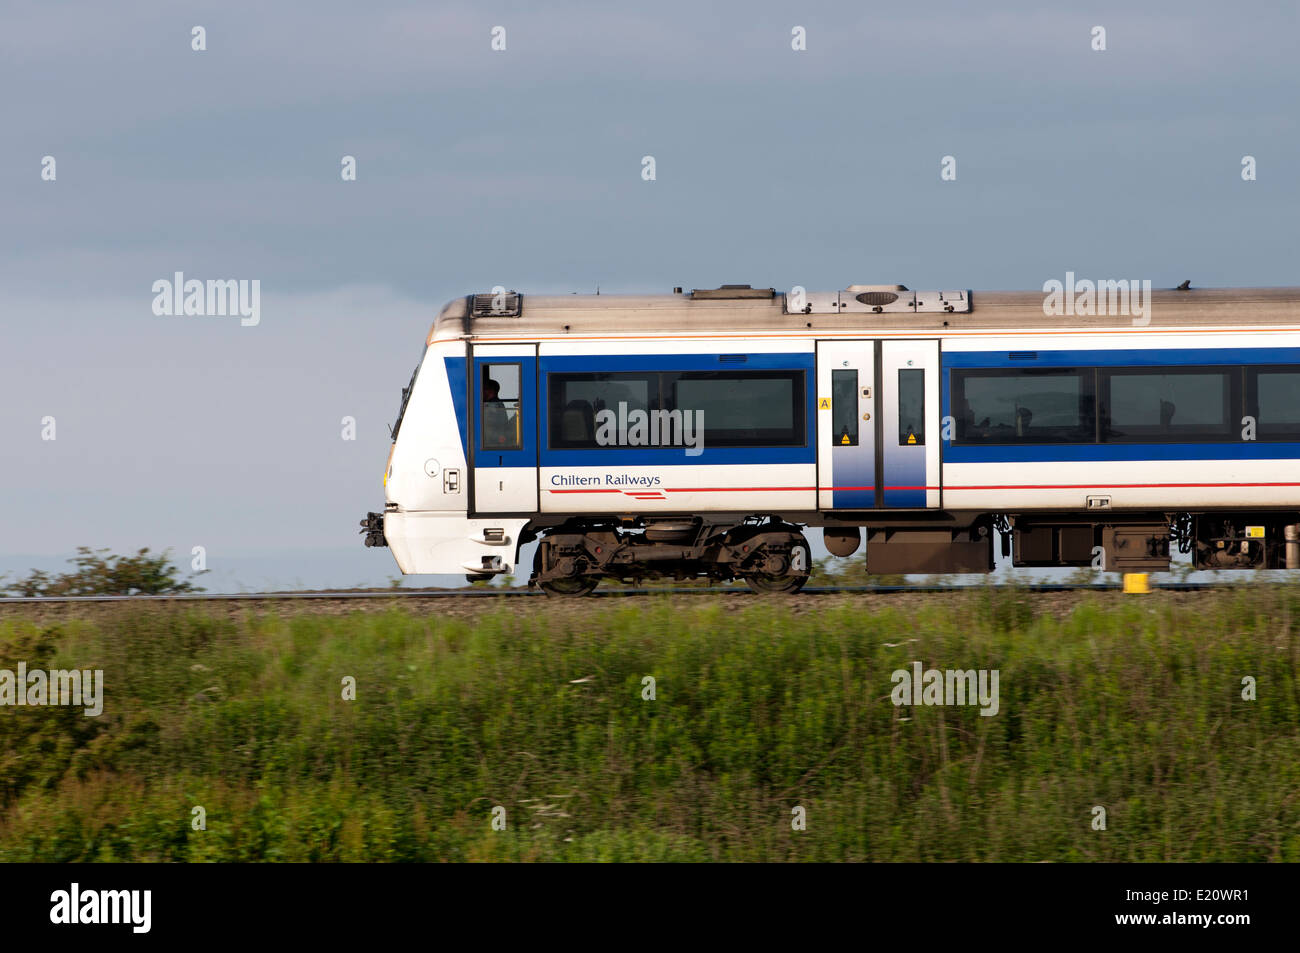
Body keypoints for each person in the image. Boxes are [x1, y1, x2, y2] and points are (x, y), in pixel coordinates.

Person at [482, 378, 513, 448]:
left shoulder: (492, 405)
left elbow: (490, 425)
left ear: (491, 391)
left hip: (492, 441)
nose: (482, 391)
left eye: (484, 389)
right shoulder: (498, 403)